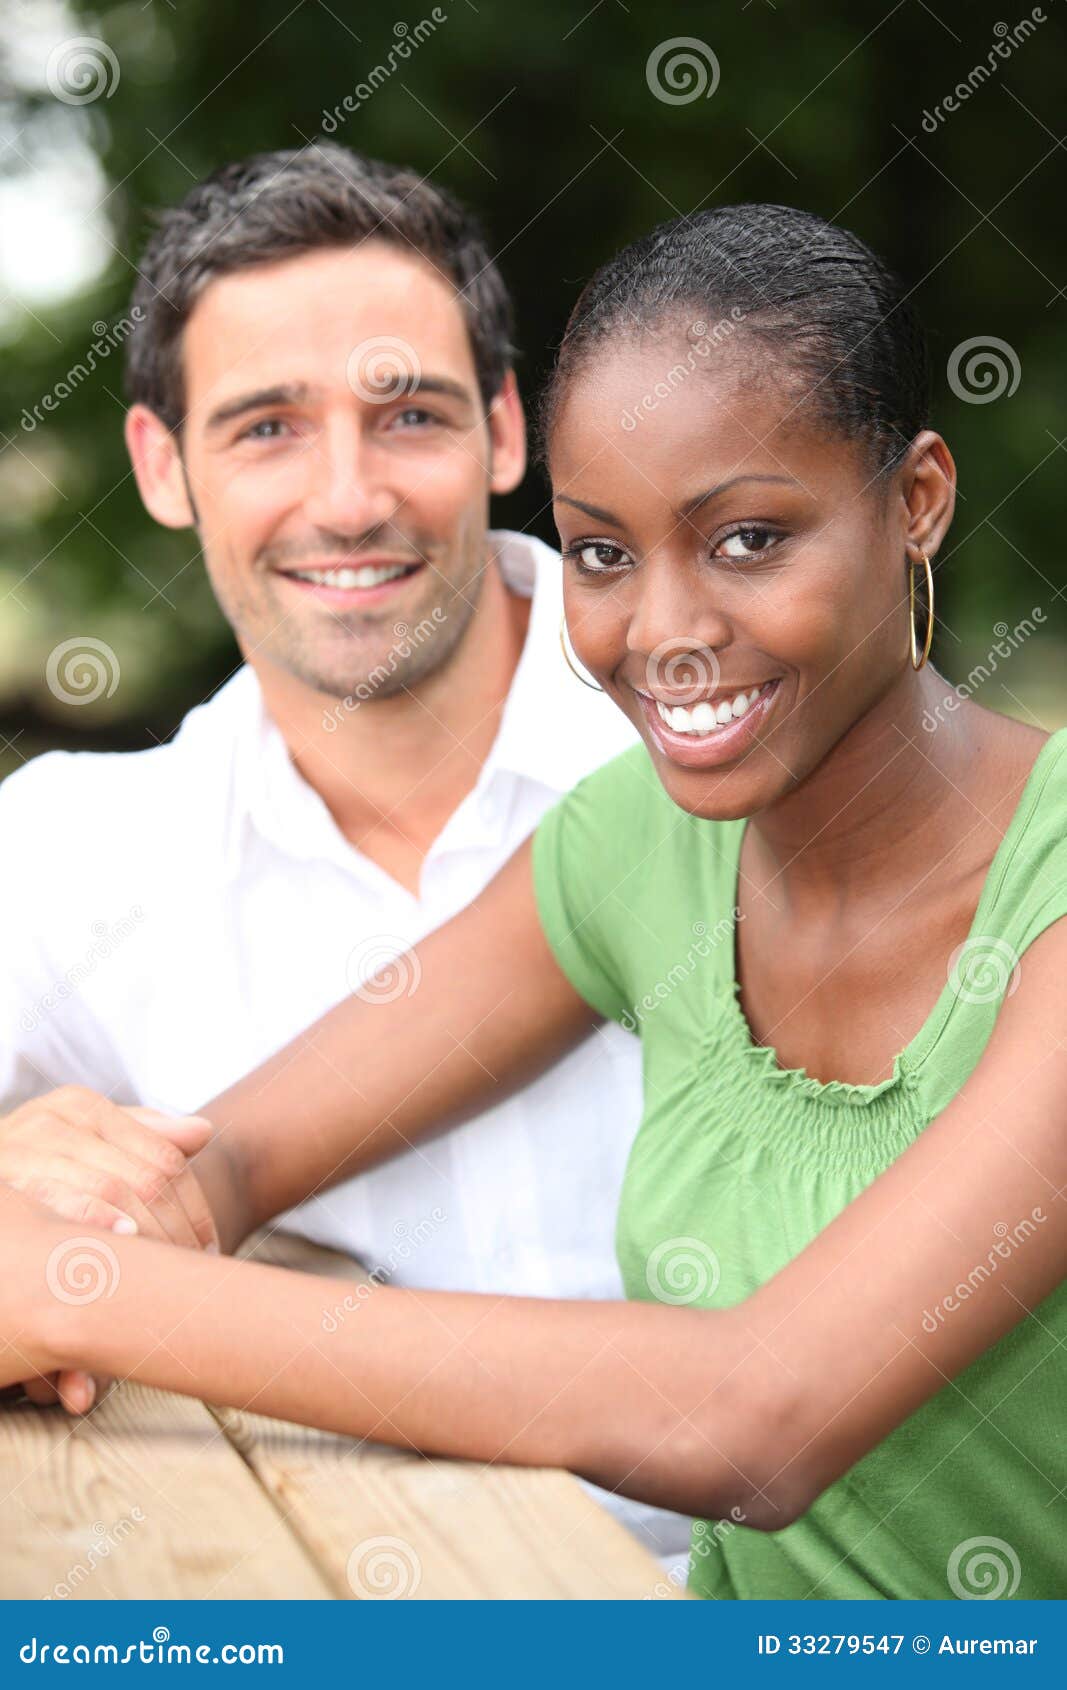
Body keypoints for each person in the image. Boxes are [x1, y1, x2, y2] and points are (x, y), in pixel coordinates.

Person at [4, 202, 1066, 1600]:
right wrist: (76, 1198)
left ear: (917, 498)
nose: (667, 633)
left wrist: (81, 1294)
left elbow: (762, 1411)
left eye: (748, 537)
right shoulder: (642, 842)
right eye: (607, 553)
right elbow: (231, 1161)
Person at [0, 144, 698, 1570]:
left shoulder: (730, 750)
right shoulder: (79, 854)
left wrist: (77, 1289)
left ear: (509, 431)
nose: (348, 497)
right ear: (160, 464)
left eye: (410, 416)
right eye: (265, 428)